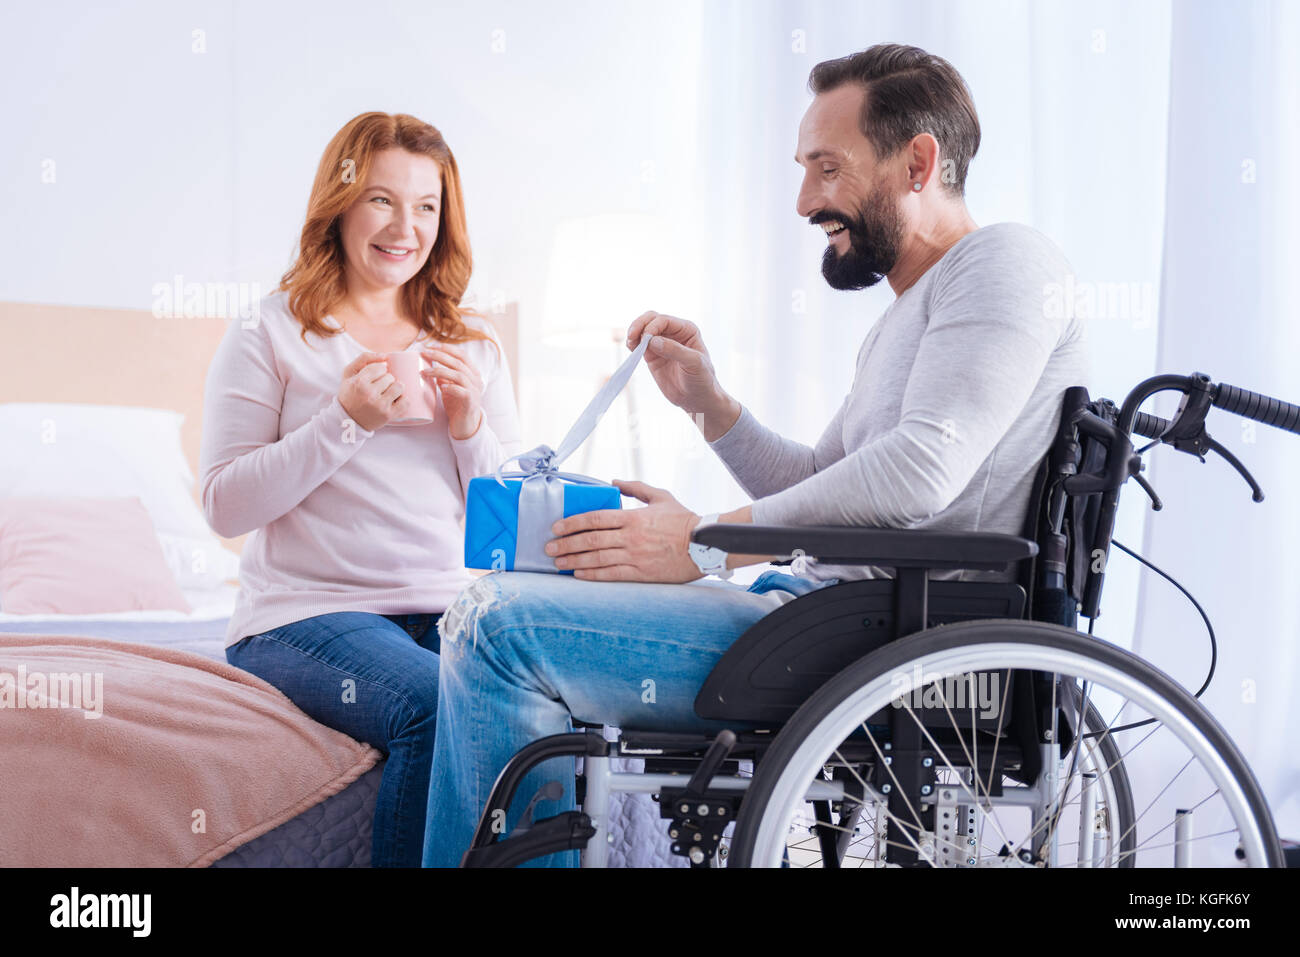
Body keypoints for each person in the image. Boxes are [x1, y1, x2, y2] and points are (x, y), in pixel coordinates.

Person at [421, 43, 1090, 867]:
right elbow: (827, 484)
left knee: (497, 626)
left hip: (887, 643)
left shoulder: (1004, 265)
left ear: (919, 161)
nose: (807, 199)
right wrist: (710, 405)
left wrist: (705, 540)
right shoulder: (911, 310)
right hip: (827, 616)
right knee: (518, 589)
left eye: (827, 167)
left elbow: (919, 473)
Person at [200, 112, 521, 867]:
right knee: (438, 705)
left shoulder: (472, 346)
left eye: (426, 206)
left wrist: (470, 424)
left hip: (450, 605)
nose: (404, 226)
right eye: (381, 199)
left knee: (547, 718)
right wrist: (342, 423)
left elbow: (506, 530)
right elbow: (224, 505)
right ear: (339, 205)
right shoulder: (271, 332)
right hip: (303, 616)